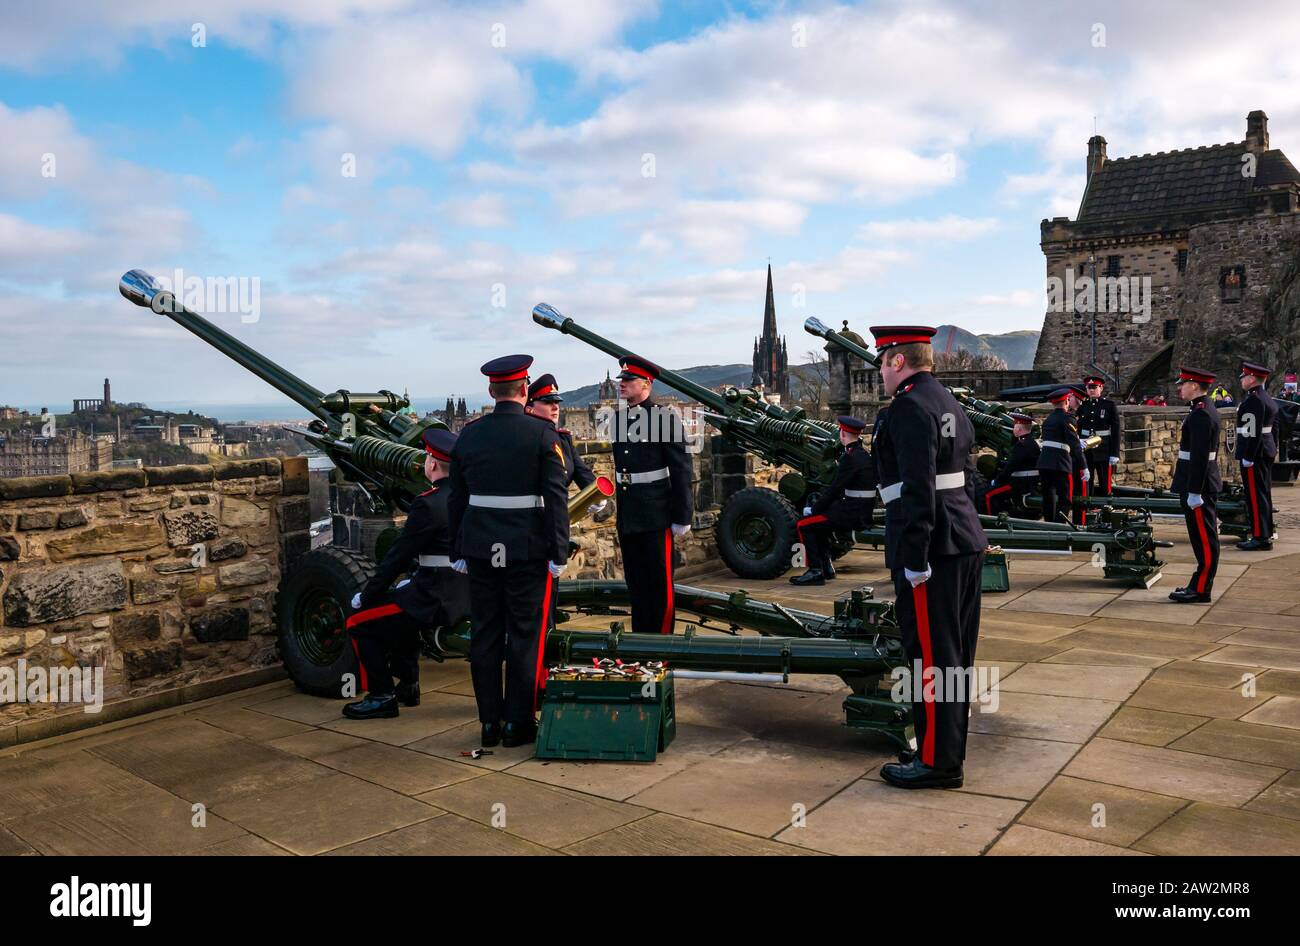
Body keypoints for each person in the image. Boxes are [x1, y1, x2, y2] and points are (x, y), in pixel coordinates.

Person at [870, 325, 986, 791]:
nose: (880, 371)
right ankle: (940, 747)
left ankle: (938, 763)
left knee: (933, 657)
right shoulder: (946, 400)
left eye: (883, 362)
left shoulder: (911, 407)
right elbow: (965, 473)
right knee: (954, 656)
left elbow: (918, 488)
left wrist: (915, 557)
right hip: (961, 538)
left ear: (899, 361)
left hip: (932, 547)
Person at [447, 355, 570, 748]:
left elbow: (457, 499)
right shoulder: (542, 435)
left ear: (490, 391)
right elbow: (555, 499)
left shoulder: (469, 435)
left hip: (481, 549)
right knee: (523, 634)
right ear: (523, 391)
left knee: (484, 634)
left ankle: (489, 723)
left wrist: (458, 549)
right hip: (526, 550)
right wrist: (559, 552)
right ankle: (518, 723)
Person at [344, 428, 469, 720]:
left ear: (432, 464)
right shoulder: (469, 497)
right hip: (466, 593)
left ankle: (381, 695)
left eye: (426, 457)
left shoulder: (427, 503)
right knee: (401, 611)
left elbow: (396, 558)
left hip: (434, 597)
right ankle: (408, 685)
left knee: (360, 622)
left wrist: (368, 594)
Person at [610, 355, 694, 635]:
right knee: (636, 585)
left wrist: (682, 515)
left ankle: (660, 649)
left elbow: (681, 468)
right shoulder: (620, 419)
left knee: (659, 586)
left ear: (646, 384)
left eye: (628, 380)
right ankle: (641, 644)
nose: (621, 385)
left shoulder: (663, 417)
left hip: (656, 514)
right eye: (621, 380)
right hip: (630, 513)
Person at [790, 415, 877, 586]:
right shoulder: (864, 455)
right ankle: (826, 566)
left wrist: (815, 509)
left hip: (852, 513)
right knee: (819, 526)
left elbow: (835, 490)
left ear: (842, 433)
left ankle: (815, 570)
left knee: (804, 525)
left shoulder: (849, 458)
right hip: (860, 509)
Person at [1169, 367, 1222, 604]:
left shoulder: (1201, 413)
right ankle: (1198, 584)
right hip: (1197, 482)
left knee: (1204, 539)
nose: (1179, 388)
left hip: (1198, 485)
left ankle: (1201, 589)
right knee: (1201, 538)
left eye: (1183, 384)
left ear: (1194, 386)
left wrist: (1194, 491)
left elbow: (1200, 456)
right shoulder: (1201, 409)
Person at [526, 373, 597, 490]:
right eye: (547, 402)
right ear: (530, 410)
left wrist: (596, 495)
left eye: (556, 402)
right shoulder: (523, 439)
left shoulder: (563, 441)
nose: (555, 407)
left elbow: (583, 473)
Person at [1235, 360, 1278, 551]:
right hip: (1265, 450)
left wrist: (1248, 456)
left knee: (1255, 496)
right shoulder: (1266, 398)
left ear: (1252, 379)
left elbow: (1251, 432)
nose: (1242, 381)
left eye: (1244, 377)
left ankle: (1260, 537)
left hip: (1255, 454)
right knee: (1263, 494)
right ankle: (1265, 532)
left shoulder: (1253, 400)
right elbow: (1274, 428)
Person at [1036, 387, 1086, 525]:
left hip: (1045, 462)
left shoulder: (1048, 420)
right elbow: (1075, 446)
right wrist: (1084, 467)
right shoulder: (1068, 419)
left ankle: (1049, 524)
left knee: (1049, 498)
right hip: (1061, 463)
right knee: (1065, 500)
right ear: (1066, 401)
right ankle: (1058, 526)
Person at [984, 412, 1040, 517]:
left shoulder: (1021, 445)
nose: (1013, 428)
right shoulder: (1031, 442)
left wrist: (996, 481)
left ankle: (992, 522)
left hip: (1020, 484)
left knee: (988, 495)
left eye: (1015, 426)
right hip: (1028, 482)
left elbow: (1010, 468)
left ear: (1019, 429)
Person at [1078, 374, 1120, 497]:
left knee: (1104, 482)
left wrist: (1114, 453)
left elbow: (1116, 430)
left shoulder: (1109, 405)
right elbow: (1079, 427)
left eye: (1094, 387)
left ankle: (1105, 507)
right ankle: (1089, 507)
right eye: (1089, 388)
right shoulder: (1083, 406)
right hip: (1086, 448)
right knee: (1087, 480)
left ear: (1101, 388)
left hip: (1104, 449)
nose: (1091, 390)